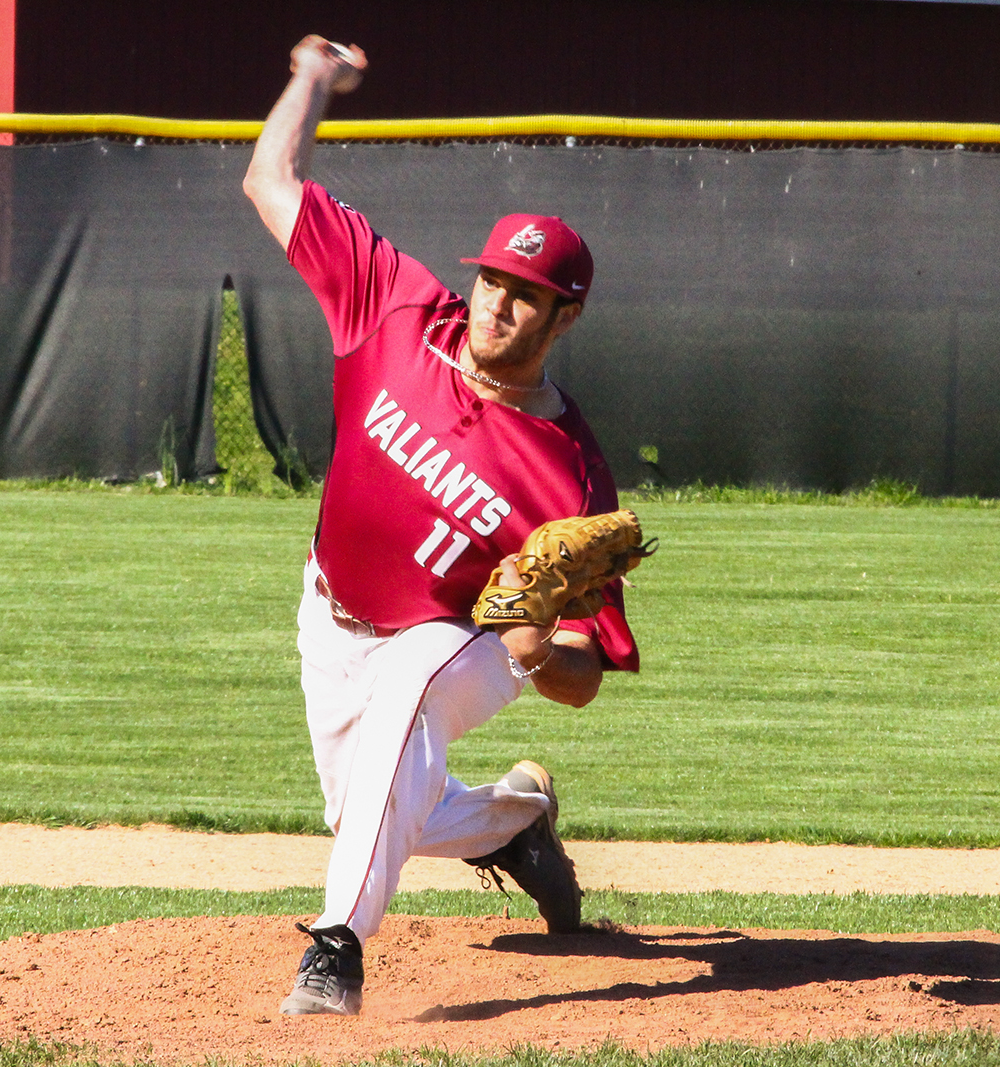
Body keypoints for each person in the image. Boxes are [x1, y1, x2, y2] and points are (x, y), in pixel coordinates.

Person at [242, 35, 640, 1017]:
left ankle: (333, 950)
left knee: (410, 689)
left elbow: (588, 675)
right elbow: (269, 177)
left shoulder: (568, 471)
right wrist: (313, 76)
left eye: (528, 296)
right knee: (372, 809)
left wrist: (539, 652)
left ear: (564, 318)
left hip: (460, 638)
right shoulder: (395, 307)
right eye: (494, 280)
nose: (499, 304)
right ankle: (515, 821)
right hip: (330, 608)